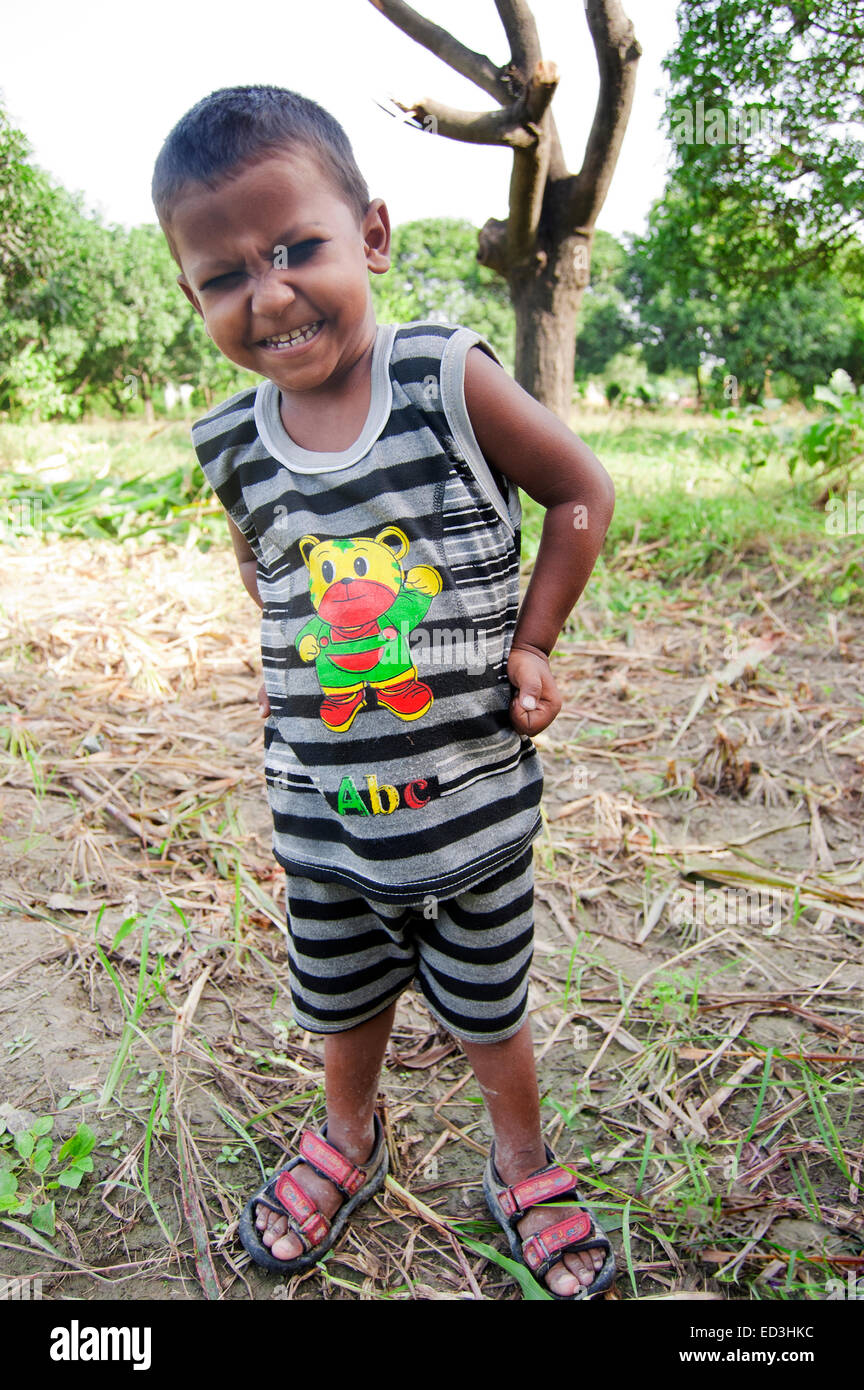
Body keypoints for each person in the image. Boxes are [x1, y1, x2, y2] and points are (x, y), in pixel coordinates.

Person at [152, 85, 616, 1300]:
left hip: (468, 805)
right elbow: (269, 570)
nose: (267, 292)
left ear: (373, 236)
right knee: (341, 996)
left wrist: (535, 641)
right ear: (192, 294)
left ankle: (519, 1156)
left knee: (487, 999)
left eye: (296, 246)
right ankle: (348, 1135)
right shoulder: (236, 441)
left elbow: (580, 490)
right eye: (220, 275)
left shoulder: (442, 378)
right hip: (322, 814)